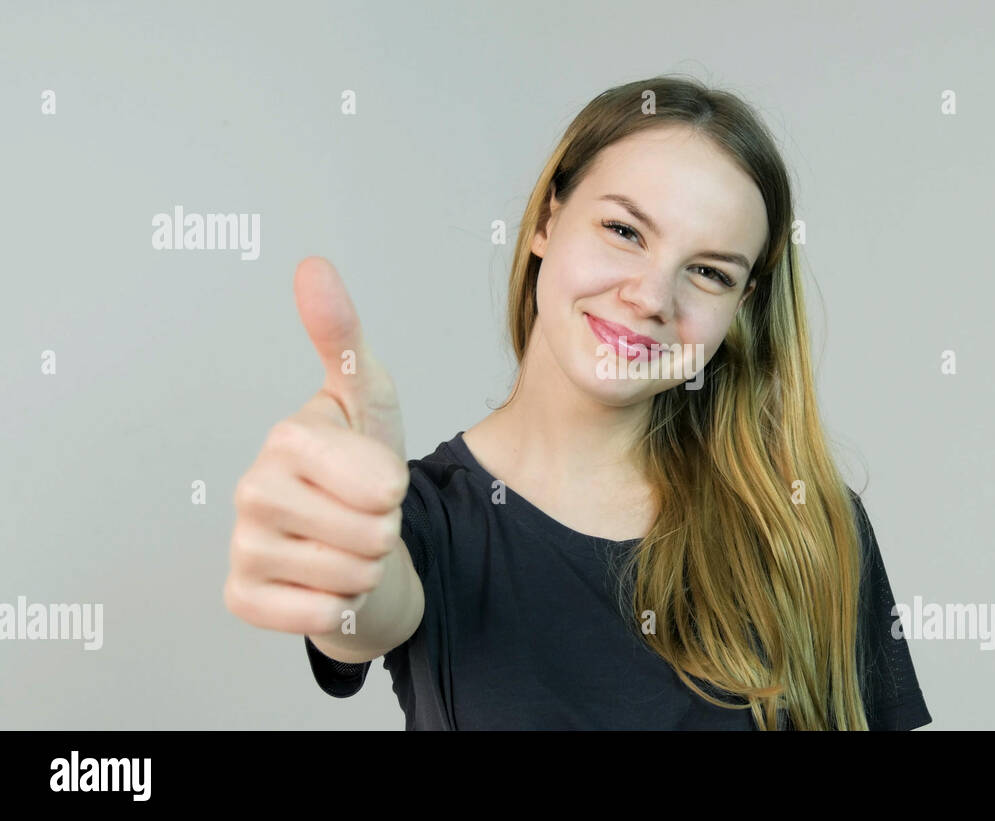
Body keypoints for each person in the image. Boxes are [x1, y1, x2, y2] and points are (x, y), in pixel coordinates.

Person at [223, 74, 932, 731]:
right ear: (546, 220)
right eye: (624, 231)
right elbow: (367, 610)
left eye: (709, 272)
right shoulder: (426, 520)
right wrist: (341, 553)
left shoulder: (805, 525)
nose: (652, 297)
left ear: (740, 307)